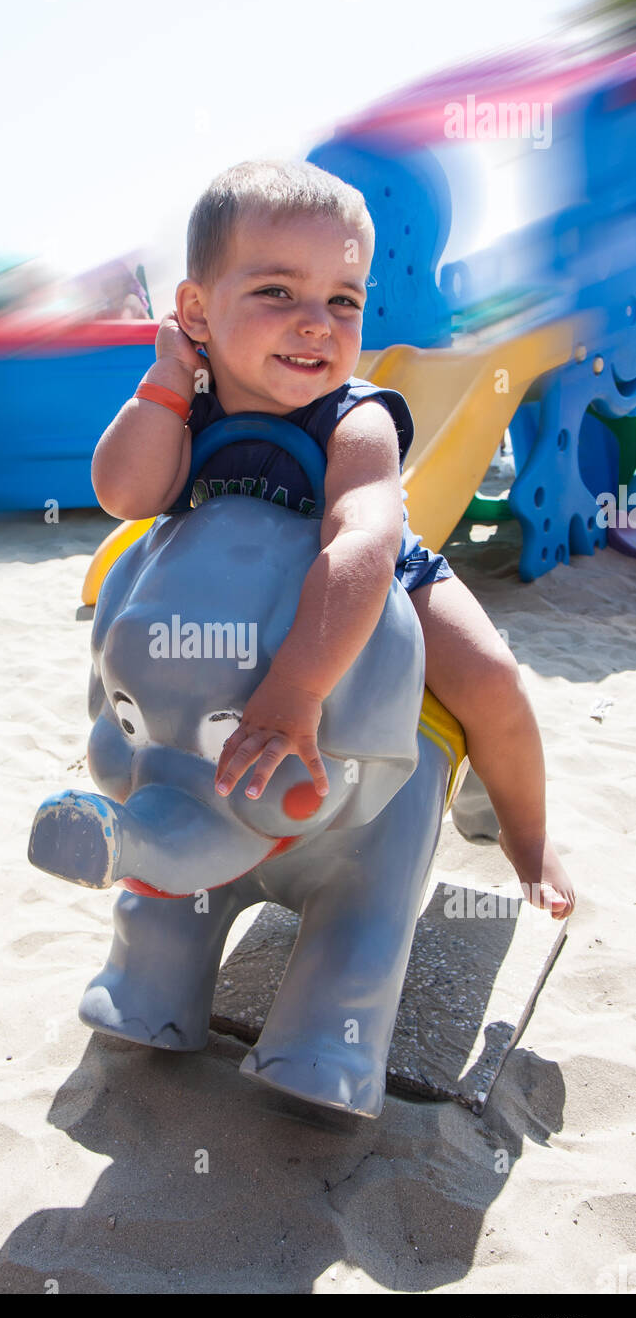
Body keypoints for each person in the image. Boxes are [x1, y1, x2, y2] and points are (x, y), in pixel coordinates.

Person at [91, 159, 575, 920]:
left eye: (342, 300)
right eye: (276, 292)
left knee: (490, 680)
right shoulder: (189, 409)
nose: (315, 320)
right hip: (227, 608)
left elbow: (362, 546)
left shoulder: (357, 419)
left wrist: (297, 689)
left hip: (382, 588)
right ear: (195, 309)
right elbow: (126, 496)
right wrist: (164, 383)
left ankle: (526, 835)